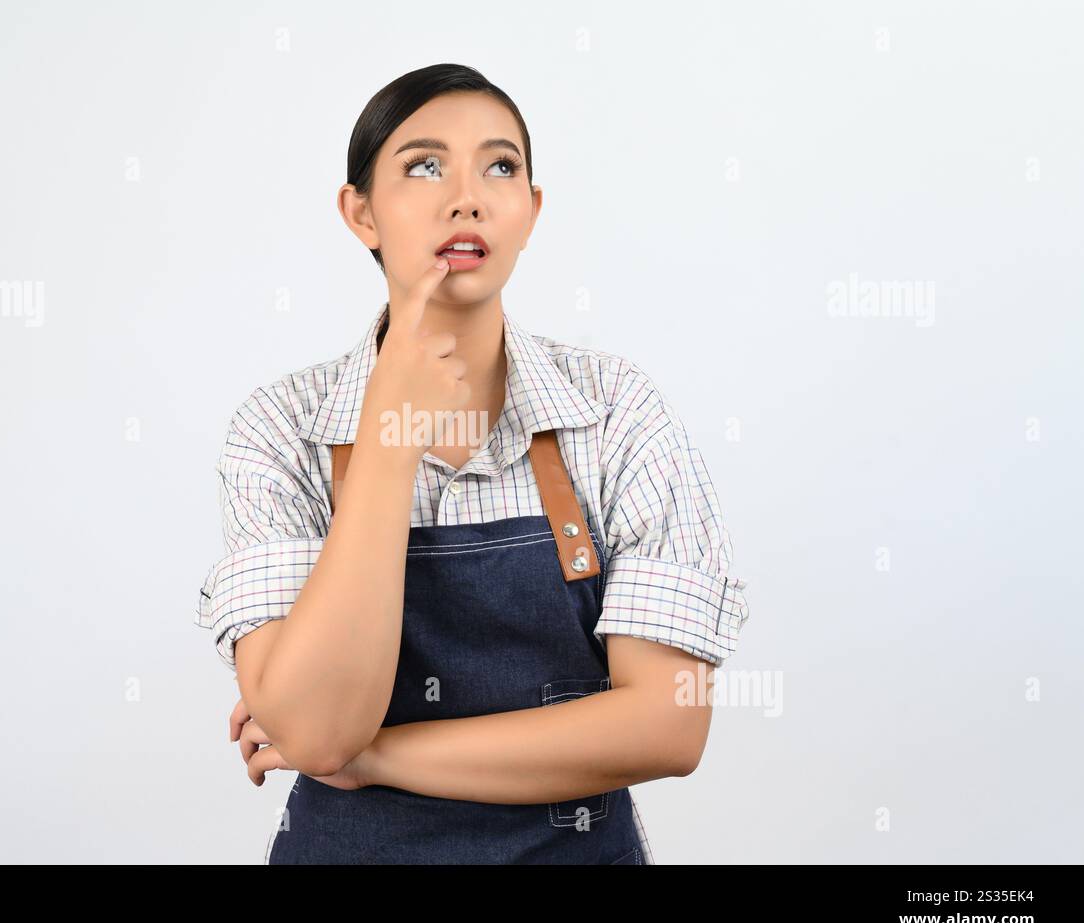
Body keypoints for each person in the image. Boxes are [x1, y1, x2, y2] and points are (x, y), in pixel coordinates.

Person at [195, 64, 751, 864]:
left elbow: (668, 724)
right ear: (361, 213)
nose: (467, 196)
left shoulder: (615, 407)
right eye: (424, 166)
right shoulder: (282, 429)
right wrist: (390, 431)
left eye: (501, 167)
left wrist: (376, 756)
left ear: (530, 212)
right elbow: (317, 729)